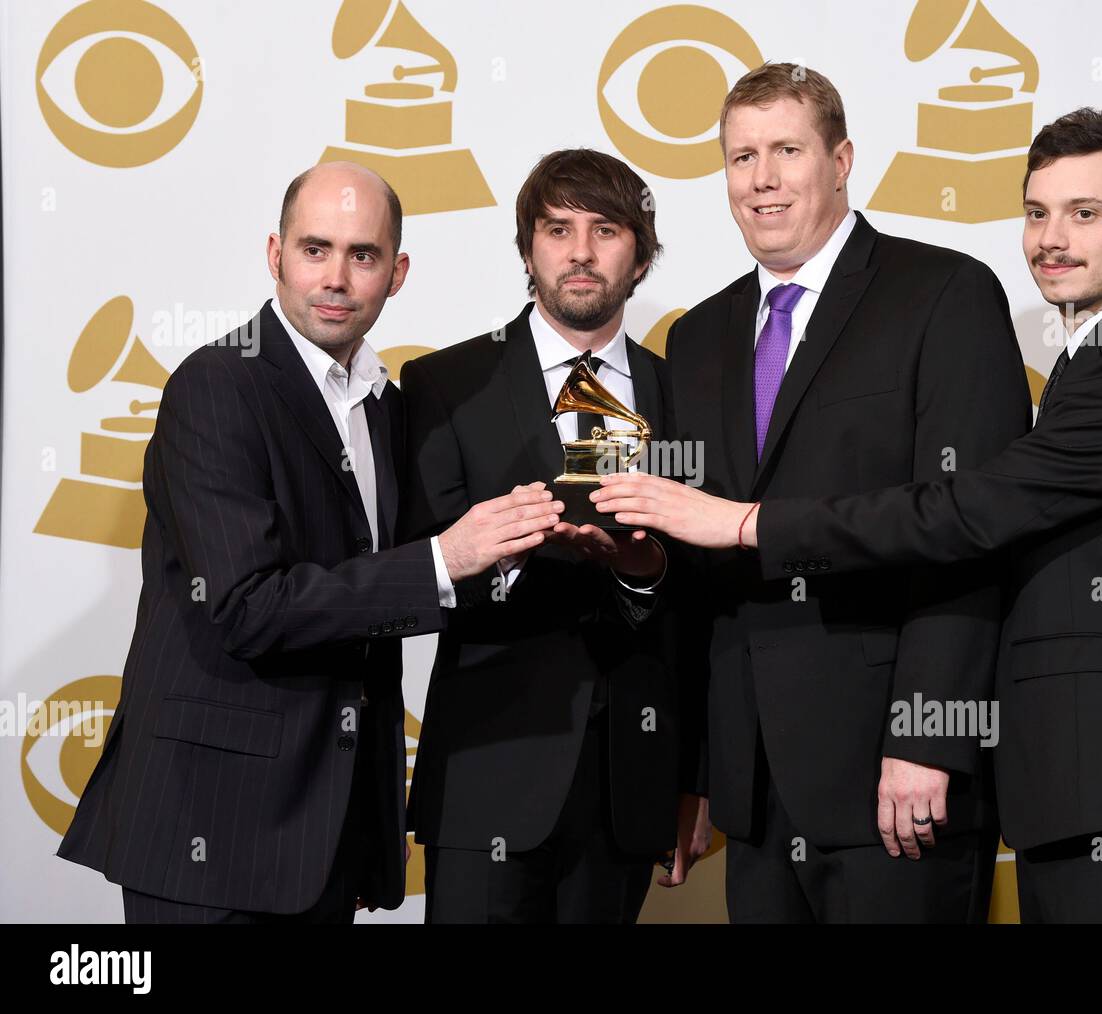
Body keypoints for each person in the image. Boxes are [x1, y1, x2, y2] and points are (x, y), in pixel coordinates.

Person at [595, 108, 1102, 923]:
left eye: (1086, 214)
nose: (1052, 238)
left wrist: (745, 523)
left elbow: (965, 513)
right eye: (1037, 212)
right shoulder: (1100, 364)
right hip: (1076, 793)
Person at [57, 162, 560, 923]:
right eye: (314, 248)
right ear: (275, 255)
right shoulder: (217, 385)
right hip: (211, 825)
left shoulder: (385, 406)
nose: (335, 276)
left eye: (362, 255)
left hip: (325, 834)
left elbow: (381, 601)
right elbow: (248, 606)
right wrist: (446, 557)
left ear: (397, 273)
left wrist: (516, 546)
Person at [600, 64, 1029, 923]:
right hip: (751, 792)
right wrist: (691, 776)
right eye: (740, 156)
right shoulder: (699, 336)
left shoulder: (945, 293)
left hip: (895, 779)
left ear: (841, 161)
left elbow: (972, 531)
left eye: (786, 150)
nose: (760, 178)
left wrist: (929, 736)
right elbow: (701, 568)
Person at [399, 149, 708, 923]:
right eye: (557, 229)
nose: (580, 252)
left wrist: (640, 573)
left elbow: (704, 606)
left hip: (630, 784)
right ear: (526, 247)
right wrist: (509, 555)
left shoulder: (687, 393)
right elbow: (412, 573)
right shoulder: (447, 385)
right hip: (486, 776)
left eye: (606, 230)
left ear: (640, 254)